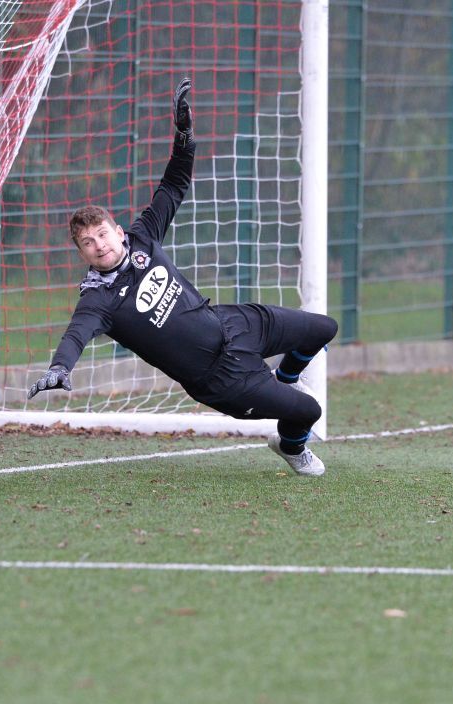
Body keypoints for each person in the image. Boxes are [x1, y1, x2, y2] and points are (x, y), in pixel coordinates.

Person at [27, 78, 338, 476]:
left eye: (102, 234)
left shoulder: (142, 237)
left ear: (118, 231)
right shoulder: (97, 299)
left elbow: (173, 184)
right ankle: (291, 447)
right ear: (82, 252)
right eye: (88, 243)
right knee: (310, 411)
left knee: (323, 329)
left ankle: (286, 378)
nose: (99, 245)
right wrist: (59, 368)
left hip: (233, 324)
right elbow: (75, 335)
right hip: (222, 379)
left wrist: (185, 135)